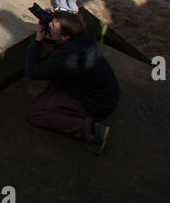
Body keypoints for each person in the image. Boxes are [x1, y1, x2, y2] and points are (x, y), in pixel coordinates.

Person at [25, 9, 119, 154]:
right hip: (105, 93)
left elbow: (32, 71)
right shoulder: (83, 36)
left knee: (36, 113)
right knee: (48, 93)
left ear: (64, 37)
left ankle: (92, 130)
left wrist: (37, 41)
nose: (49, 26)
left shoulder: (67, 57)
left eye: (52, 27)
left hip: (95, 105)